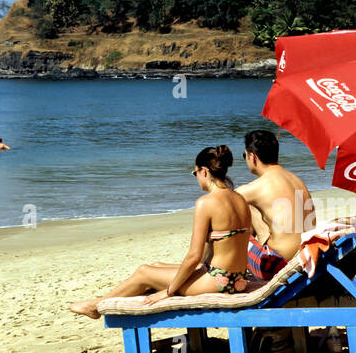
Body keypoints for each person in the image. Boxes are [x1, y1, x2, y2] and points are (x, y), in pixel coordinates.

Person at [68, 145, 256, 319]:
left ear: (204, 171)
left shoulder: (206, 203)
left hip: (218, 282)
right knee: (156, 265)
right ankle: (120, 298)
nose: (196, 177)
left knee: (144, 272)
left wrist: (168, 291)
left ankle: (96, 306)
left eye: (195, 173)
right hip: (238, 278)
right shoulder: (239, 199)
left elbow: (193, 256)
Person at [234, 129, 314, 278]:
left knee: (230, 233)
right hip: (305, 257)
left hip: (275, 265)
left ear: (253, 157)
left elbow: (219, 204)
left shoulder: (257, 187)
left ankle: (206, 267)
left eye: (244, 155)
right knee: (252, 206)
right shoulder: (297, 181)